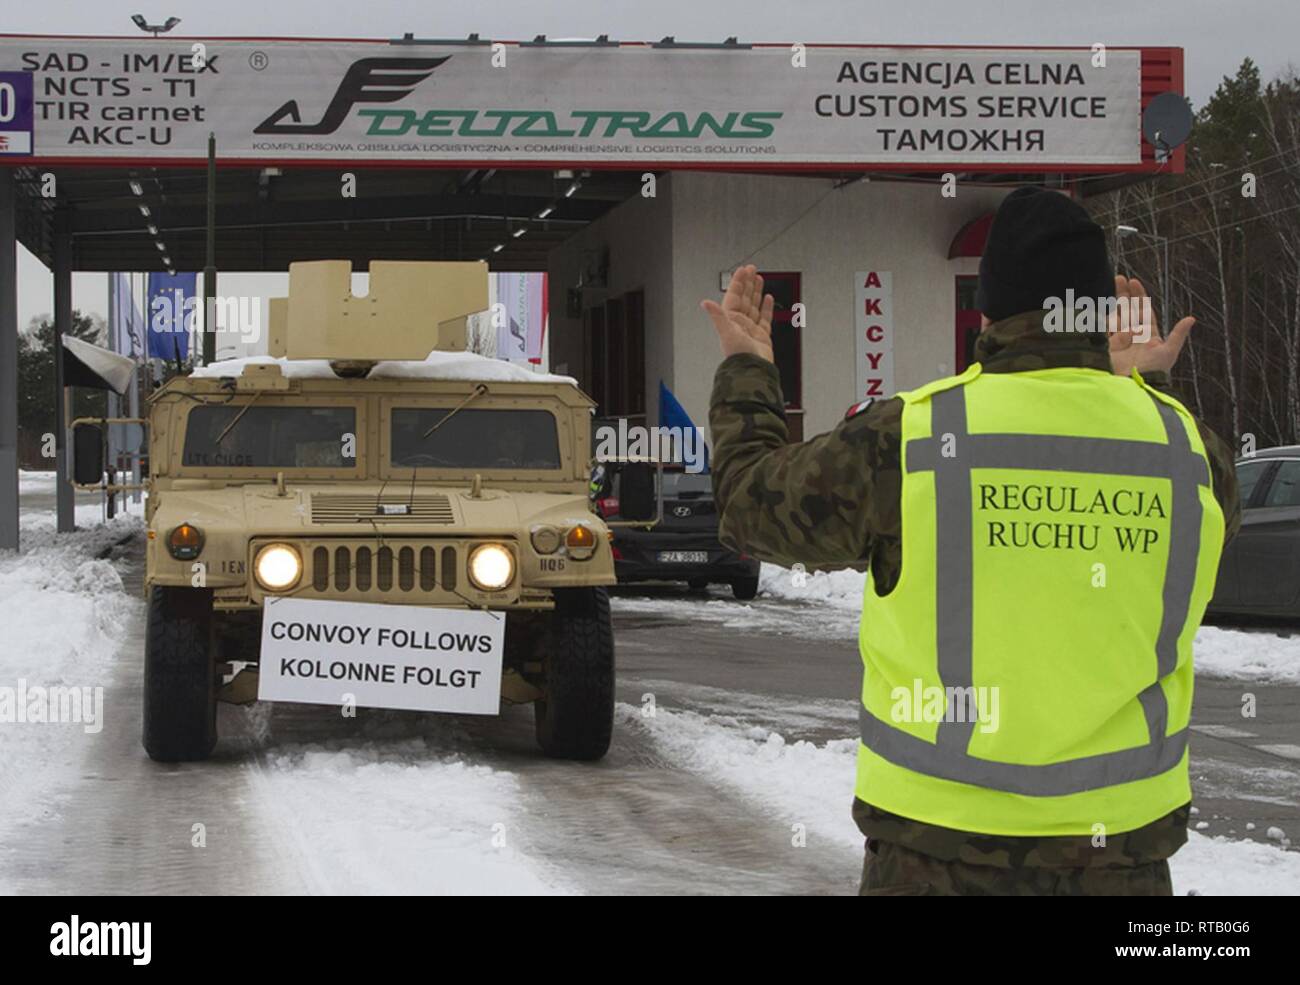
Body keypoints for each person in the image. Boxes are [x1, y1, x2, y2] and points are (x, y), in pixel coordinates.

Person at [702, 187, 1240, 896]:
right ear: (1100, 312)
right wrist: (1139, 388)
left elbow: (747, 504)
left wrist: (748, 366)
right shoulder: (1190, 453)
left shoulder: (911, 439)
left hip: (934, 855)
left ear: (987, 308)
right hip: (1121, 860)